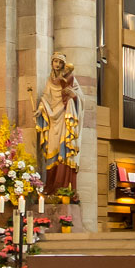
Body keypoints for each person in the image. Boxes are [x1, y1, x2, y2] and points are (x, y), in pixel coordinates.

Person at [35, 52, 83, 197]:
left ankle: (64, 188)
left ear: (64, 65)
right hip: (52, 119)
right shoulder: (50, 81)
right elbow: (45, 98)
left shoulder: (70, 80)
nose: (57, 64)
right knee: (52, 151)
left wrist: (73, 97)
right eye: (55, 61)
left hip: (64, 116)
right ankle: (51, 187)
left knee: (65, 149)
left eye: (60, 62)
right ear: (52, 63)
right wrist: (39, 110)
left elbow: (81, 98)